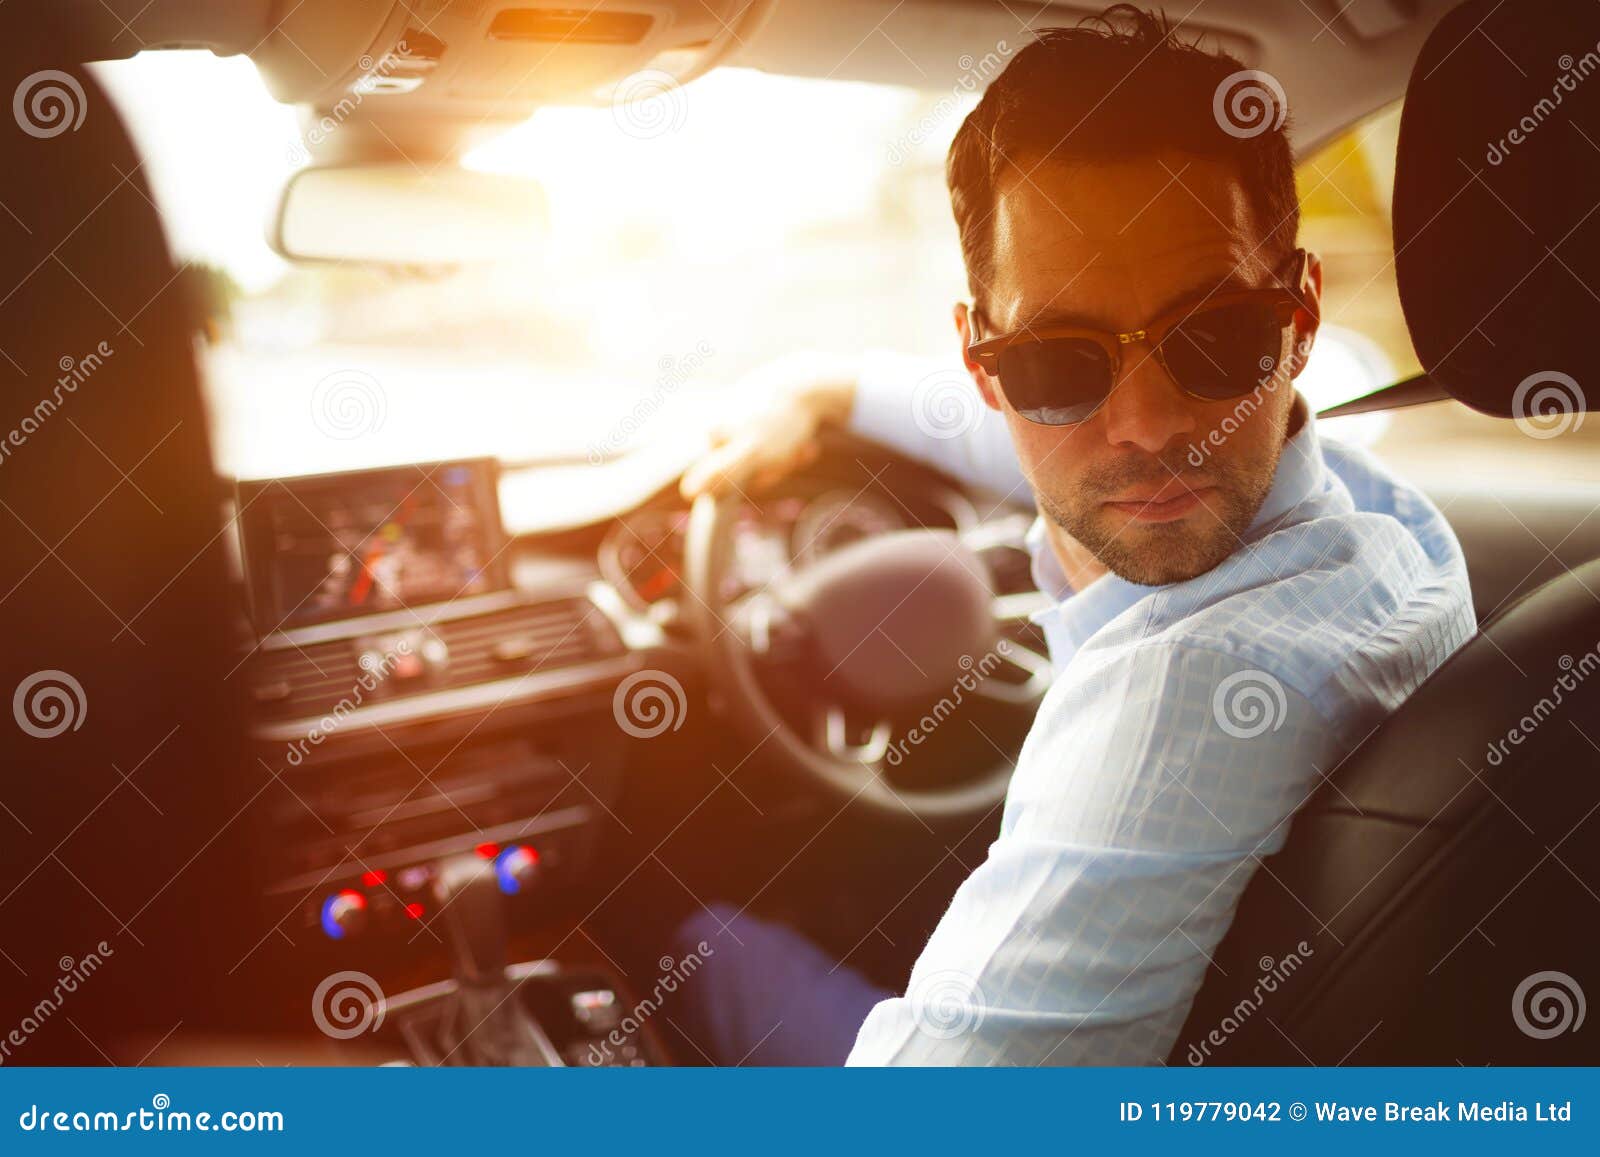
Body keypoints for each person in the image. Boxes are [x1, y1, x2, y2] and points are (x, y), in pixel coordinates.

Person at [672, 6, 1475, 1065]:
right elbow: (1082, 434)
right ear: (984, 364)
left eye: (1214, 337)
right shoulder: (1370, 506)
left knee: (702, 940)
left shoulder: (1190, 686)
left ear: (1301, 320)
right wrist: (830, 389)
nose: (1144, 426)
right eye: (1056, 362)